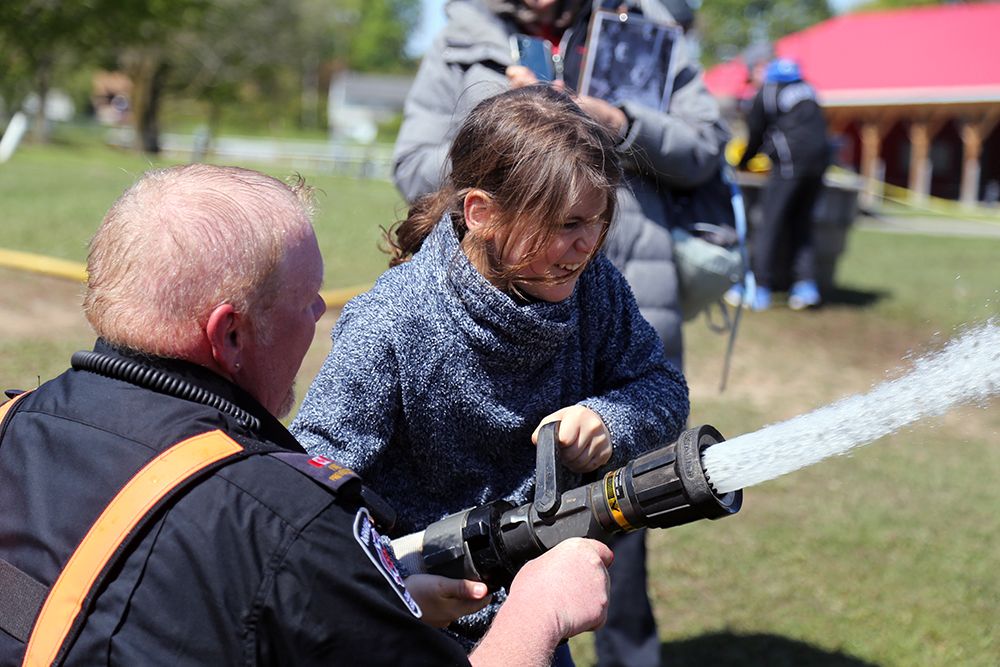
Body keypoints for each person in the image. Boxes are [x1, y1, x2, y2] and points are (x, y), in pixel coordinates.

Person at [0, 164, 615, 666]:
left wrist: (367, 598)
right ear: (230, 336)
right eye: (306, 301)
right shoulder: (287, 521)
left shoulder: (11, 424)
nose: (322, 312)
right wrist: (539, 611)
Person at [291, 85, 689, 666]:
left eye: (599, 221)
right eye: (567, 223)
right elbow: (309, 490)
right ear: (481, 214)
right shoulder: (393, 323)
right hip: (410, 628)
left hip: (538, 612)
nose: (587, 244)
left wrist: (609, 420)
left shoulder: (595, 288)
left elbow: (664, 388)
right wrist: (395, 586)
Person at [389, 1, 728, 665]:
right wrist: (517, 135)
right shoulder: (462, 43)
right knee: (496, 506)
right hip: (496, 309)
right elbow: (413, 167)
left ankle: (627, 651)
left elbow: (705, 146)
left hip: (629, 296)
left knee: (625, 505)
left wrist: (615, 123)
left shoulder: (646, 29)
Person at [729, 57, 832, 311]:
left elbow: (755, 132)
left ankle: (759, 287)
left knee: (769, 224)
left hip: (788, 165)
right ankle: (805, 286)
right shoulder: (808, 89)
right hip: (819, 165)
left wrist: (743, 162)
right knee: (802, 224)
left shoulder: (768, 91)